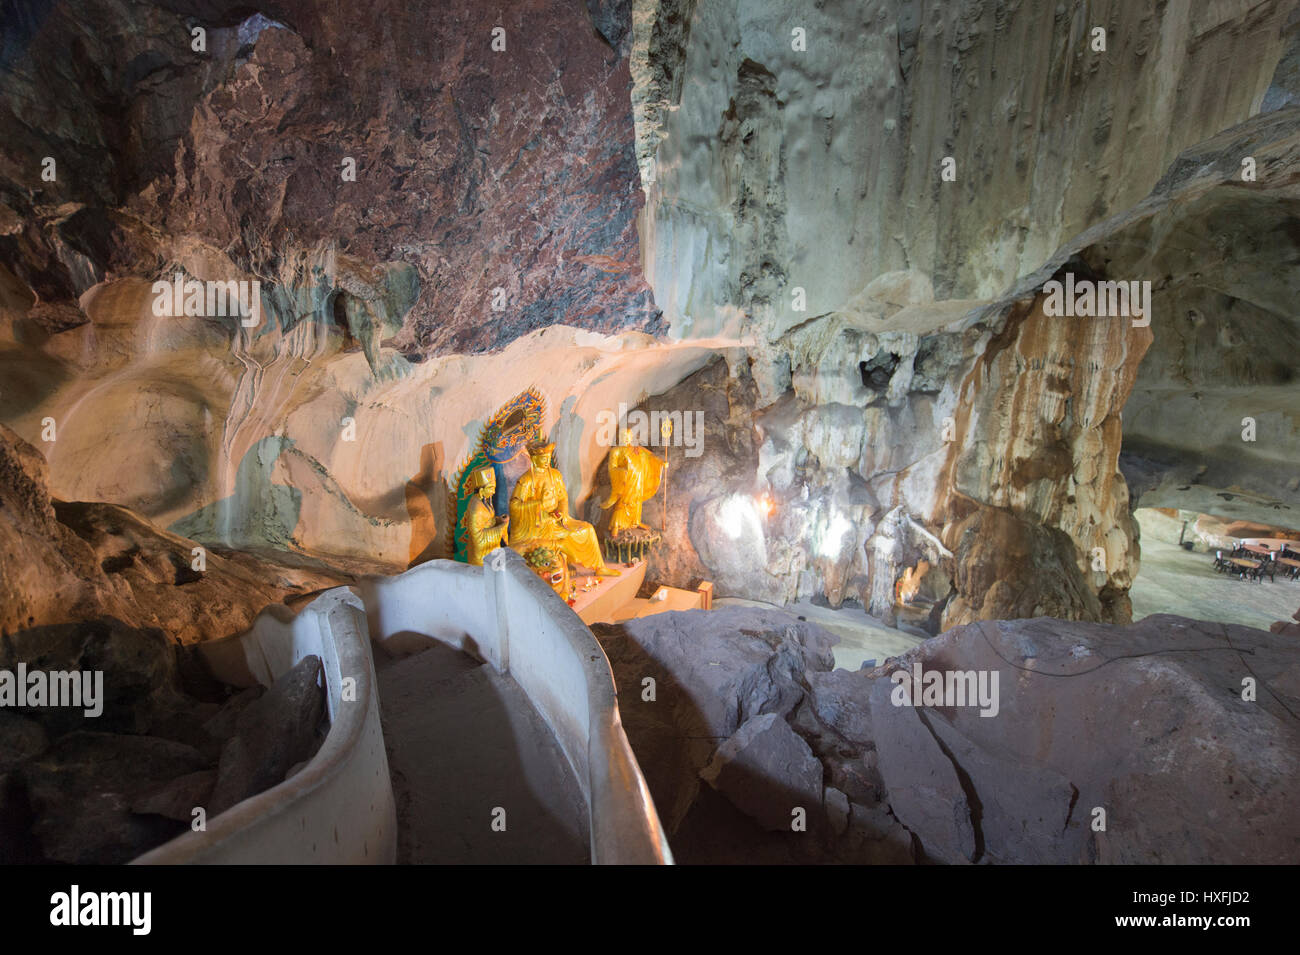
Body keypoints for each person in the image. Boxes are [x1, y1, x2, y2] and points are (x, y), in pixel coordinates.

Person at [509, 439, 619, 576]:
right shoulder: (526, 480)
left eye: (548, 458)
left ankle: (599, 566)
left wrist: (561, 512)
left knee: (587, 529)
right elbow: (514, 505)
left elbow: (562, 497)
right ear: (534, 459)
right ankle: (561, 563)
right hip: (538, 526)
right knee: (544, 544)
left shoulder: (555, 475)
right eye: (542, 458)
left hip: (557, 521)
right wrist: (538, 505)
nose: (545, 461)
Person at [601, 426, 665, 535]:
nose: (626, 438)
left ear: (631, 437)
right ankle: (616, 524)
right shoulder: (616, 451)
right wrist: (622, 472)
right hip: (626, 480)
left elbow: (650, 457)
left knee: (637, 501)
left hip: (638, 480)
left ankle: (636, 521)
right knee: (623, 501)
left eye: (628, 436)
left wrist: (661, 463)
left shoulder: (637, 450)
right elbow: (612, 468)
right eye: (623, 436)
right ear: (619, 437)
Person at [460, 467, 508, 566]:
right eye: (491, 488)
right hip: (482, 557)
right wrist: (500, 529)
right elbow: (478, 539)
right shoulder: (476, 508)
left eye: (494, 488)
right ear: (481, 491)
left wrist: (499, 520)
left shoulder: (485, 501)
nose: (494, 492)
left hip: (492, 551)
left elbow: (488, 521)